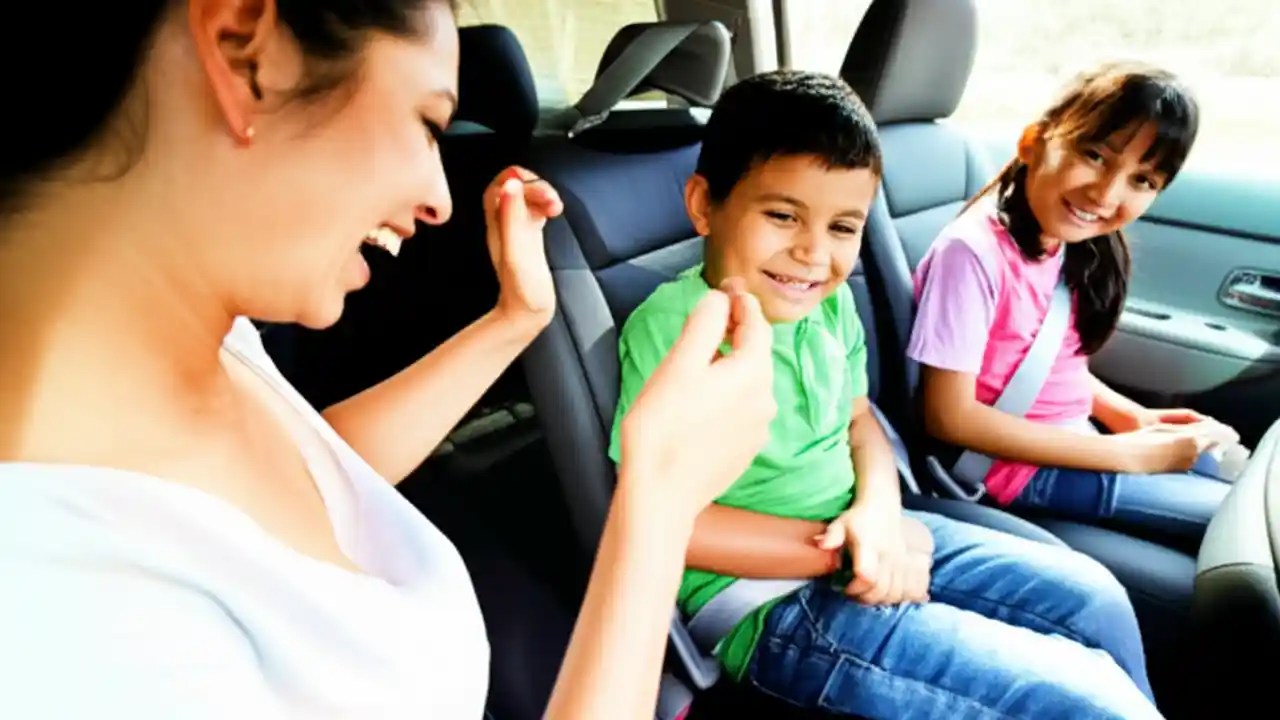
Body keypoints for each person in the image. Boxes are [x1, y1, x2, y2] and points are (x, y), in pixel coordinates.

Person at [0, 2, 779, 718]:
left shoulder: (194, 341)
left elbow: (323, 470)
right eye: (428, 123)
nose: (440, 197)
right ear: (245, 58)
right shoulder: (63, 610)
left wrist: (519, 319)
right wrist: (656, 505)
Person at [609, 69, 1161, 720]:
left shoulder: (828, 305)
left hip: (866, 531)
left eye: (843, 227)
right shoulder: (680, 333)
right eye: (783, 215)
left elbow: (860, 422)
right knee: (1078, 702)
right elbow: (660, 523)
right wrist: (846, 546)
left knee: (1094, 597)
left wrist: (875, 514)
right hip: (767, 598)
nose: (814, 254)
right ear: (704, 205)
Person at [908, 61, 1241, 543]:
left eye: (1142, 180)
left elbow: (1037, 364)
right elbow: (949, 415)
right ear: (1033, 142)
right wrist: (1128, 454)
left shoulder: (1056, 241)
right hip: (1016, 470)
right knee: (1244, 525)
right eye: (1095, 155)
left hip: (1073, 439)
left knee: (1229, 472)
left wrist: (1131, 418)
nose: (1107, 193)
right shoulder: (972, 252)